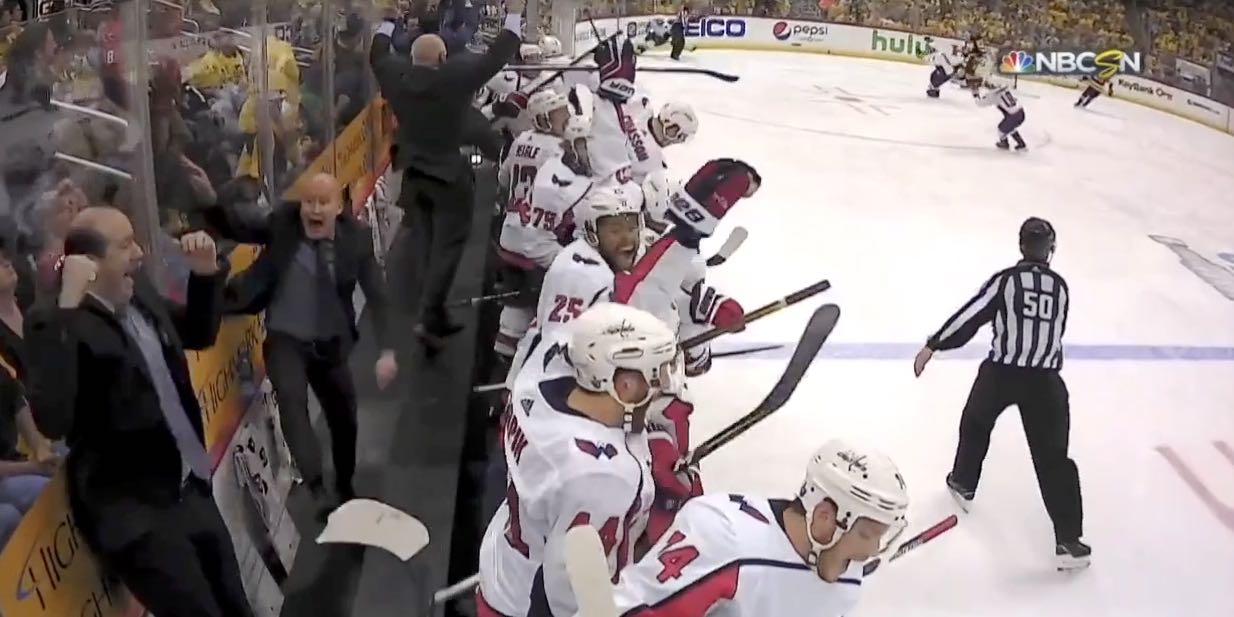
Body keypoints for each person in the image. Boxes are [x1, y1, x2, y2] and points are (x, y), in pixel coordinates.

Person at [23, 206, 256, 617]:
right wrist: (67, 308)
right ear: (89, 264)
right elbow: (53, 417)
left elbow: (197, 333)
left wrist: (205, 276)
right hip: (138, 517)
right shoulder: (52, 322)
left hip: (189, 488)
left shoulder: (138, 289)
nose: (139, 253)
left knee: (237, 606)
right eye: (125, 245)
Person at [477, 302, 676, 617]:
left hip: (507, 561)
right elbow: (570, 597)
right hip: (527, 603)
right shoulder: (603, 478)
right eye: (657, 376)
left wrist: (644, 444)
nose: (664, 387)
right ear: (624, 385)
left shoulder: (539, 374)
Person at [913, 217, 1088, 570]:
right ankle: (1068, 540)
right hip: (1046, 381)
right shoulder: (1061, 287)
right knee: (1054, 459)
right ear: (1049, 250)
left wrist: (934, 344)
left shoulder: (1006, 281)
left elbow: (971, 316)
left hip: (1003, 373)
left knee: (975, 423)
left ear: (1021, 246)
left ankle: (963, 482)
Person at [222, 173, 396, 513]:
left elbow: (377, 293)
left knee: (344, 418)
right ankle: (317, 487)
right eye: (308, 202)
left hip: (331, 344)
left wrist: (387, 351)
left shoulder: (356, 239)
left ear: (338, 206)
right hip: (286, 339)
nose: (314, 209)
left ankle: (344, 484)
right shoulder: (282, 225)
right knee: (291, 400)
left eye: (322, 202)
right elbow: (236, 223)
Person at [593, 438, 909, 617]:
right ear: (826, 517)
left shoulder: (846, 570)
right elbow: (625, 608)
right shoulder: (723, 536)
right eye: (867, 535)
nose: (873, 551)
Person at [370, 0, 524, 351]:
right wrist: (514, 15)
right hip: (448, 175)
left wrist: (388, 22)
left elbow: (377, 54)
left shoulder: (396, 77)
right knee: (447, 247)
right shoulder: (454, 78)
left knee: (422, 237)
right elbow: (496, 56)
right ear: (441, 59)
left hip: (412, 171)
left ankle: (420, 306)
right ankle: (429, 315)